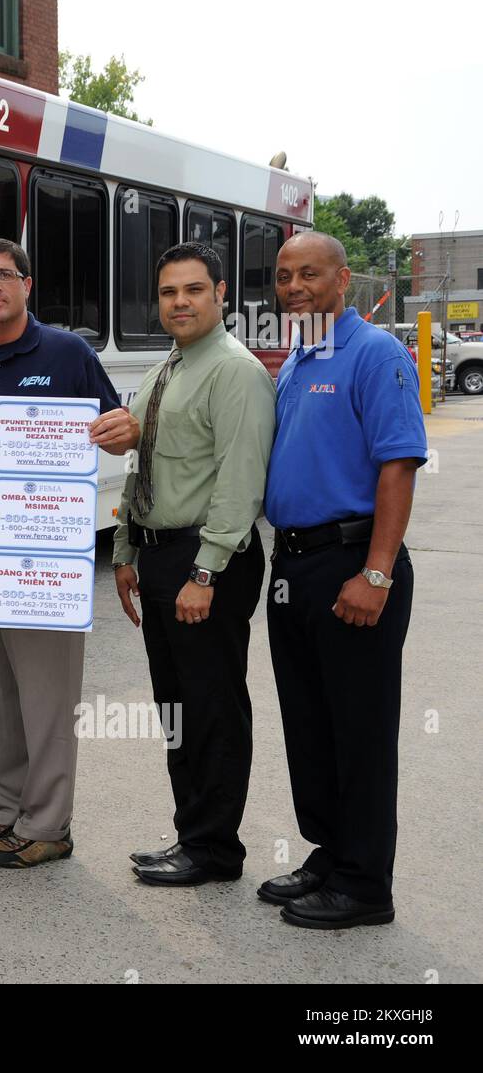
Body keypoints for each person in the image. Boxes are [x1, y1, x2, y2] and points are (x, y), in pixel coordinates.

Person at [0, 238, 138, 868]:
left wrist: (121, 430)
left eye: (5, 274)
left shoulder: (67, 353)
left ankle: (50, 824)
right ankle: (7, 812)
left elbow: (115, 430)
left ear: (27, 285)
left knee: (46, 696)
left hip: (46, 561)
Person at [260, 231, 426, 929]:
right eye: (283, 275)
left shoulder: (375, 353)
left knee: (358, 728)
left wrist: (377, 572)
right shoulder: (297, 358)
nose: (294, 286)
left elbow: (398, 464)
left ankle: (365, 883)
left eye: (309, 274)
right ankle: (331, 851)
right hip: (294, 562)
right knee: (311, 723)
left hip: (353, 561)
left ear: (342, 278)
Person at [112, 242, 276, 886]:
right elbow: (141, 462)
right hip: (158, 555)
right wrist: (126, 551)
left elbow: (241, 484)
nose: (179, 303)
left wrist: (204, 573)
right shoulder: (167, 369)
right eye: (169, 293)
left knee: (211, 706)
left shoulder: (235, 372)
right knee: (176, 706)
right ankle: (193, 834)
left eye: (193, 290)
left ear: (221, 294)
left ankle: (216, 850)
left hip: (209, 558)